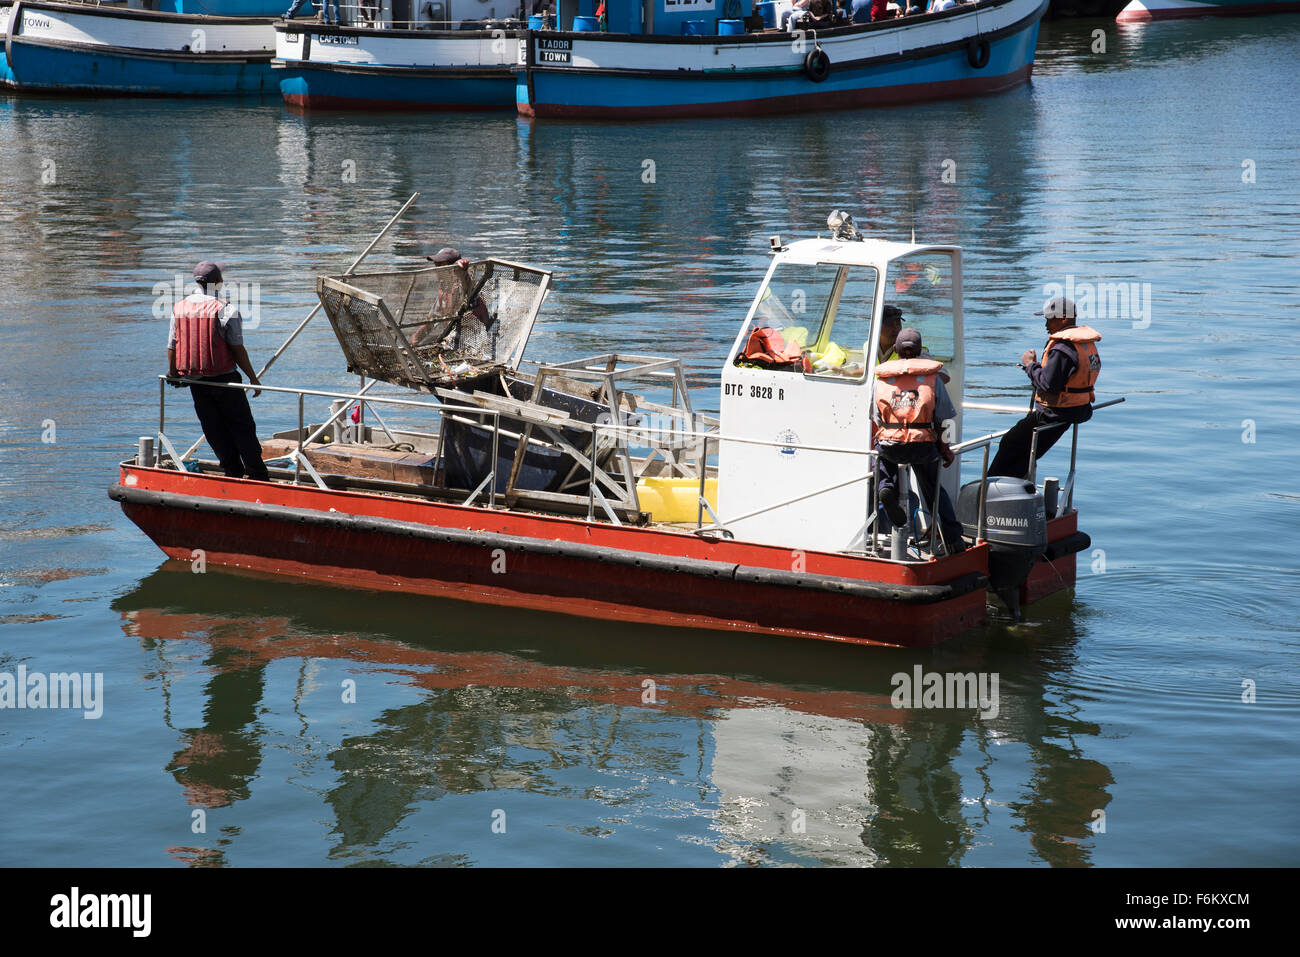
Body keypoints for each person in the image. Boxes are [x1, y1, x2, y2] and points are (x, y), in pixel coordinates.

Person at [168, 261, 269, 481]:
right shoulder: (226, 309)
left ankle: (232, 472)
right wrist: (253, 379)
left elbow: (173, 345)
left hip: (198, 383)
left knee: (214, 430)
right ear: (217, 282)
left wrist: (173, 374)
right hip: (225, 381)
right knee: (242, 428)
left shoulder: (179, 307)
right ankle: (258, 476)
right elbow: (237, 349)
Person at [988, 296, 1101, 480]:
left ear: (1064, 318)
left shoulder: (1063, 348)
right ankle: (1011, 486)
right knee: (1023, 452)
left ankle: (990, 488)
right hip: (1077, 409)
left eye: (1049, 319)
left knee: (1011, 444)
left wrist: (1030, 365)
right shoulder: (1083, 344)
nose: (1046, 324)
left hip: (1055, 413)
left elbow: (1049, 385)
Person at [872, 328, 965, 552]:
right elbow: (942, 419)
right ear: (921, 351)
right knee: (934, 489)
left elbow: (876, 417)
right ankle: (953, 539)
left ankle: (887, 487)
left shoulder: (882, 379)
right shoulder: (932, 379)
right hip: (922, 446)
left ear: (895, 350)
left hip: (891, 445)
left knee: (883, 455)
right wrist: (944, 448)